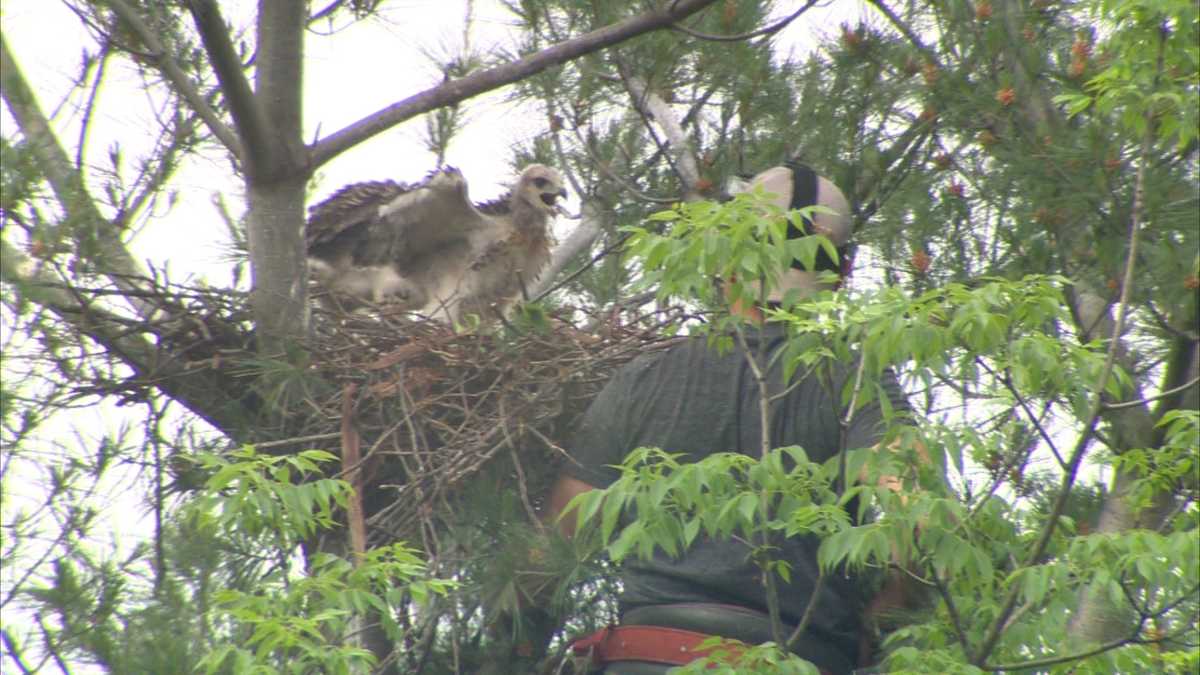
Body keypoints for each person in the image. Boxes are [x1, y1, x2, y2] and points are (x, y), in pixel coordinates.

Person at [544, 161, 914, 675]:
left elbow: (564, 530)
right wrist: (881, 620)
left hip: (643, 656)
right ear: (840, 273)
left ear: (728, 260)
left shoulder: (645, 375)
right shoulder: (857, 382)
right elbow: (914, 523)